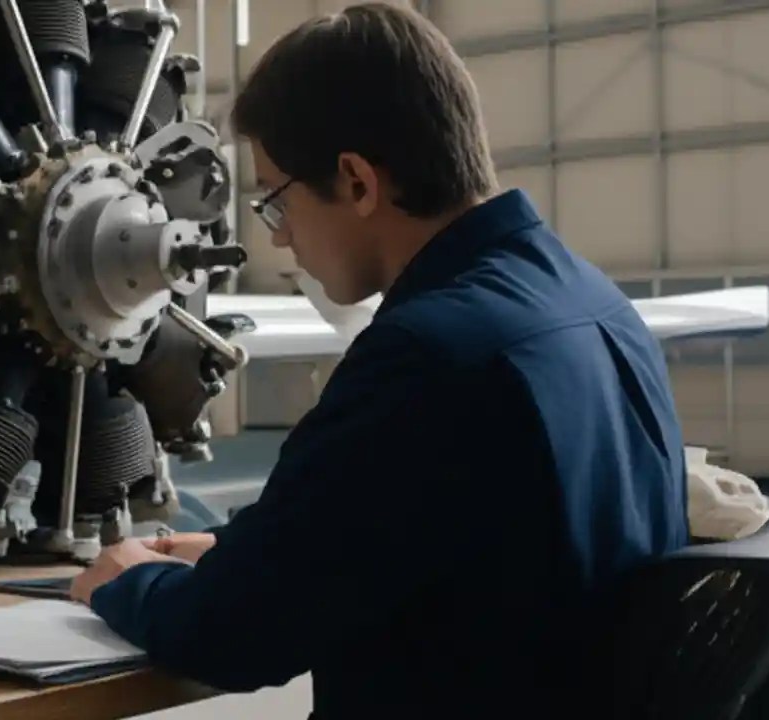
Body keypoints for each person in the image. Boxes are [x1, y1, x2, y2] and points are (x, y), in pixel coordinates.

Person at [70, 3, 689, 718]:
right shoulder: (592, 301)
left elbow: (232, 636)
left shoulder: (429, 355)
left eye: (275, 202)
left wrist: (121, 580)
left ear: (358, 182)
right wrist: (235, 550)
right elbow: (409, 525)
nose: (281, 240)